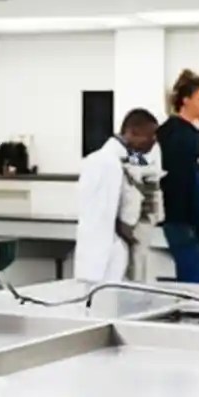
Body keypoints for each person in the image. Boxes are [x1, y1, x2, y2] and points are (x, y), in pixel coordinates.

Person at [75, 108, 159, 283]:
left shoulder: (119, 160)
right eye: (150, 136)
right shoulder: (106, 163)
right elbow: (107, 215)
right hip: (102, 258)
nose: (153, 142)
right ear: (132, 132)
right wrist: (131, 232)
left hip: (106, 253)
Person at [158, 69, 199, 284]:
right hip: (187, 220)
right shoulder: (179, 135)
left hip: (187, 218)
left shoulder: (191, 133)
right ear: (185, 100)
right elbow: (183, 182)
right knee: (197, 283)